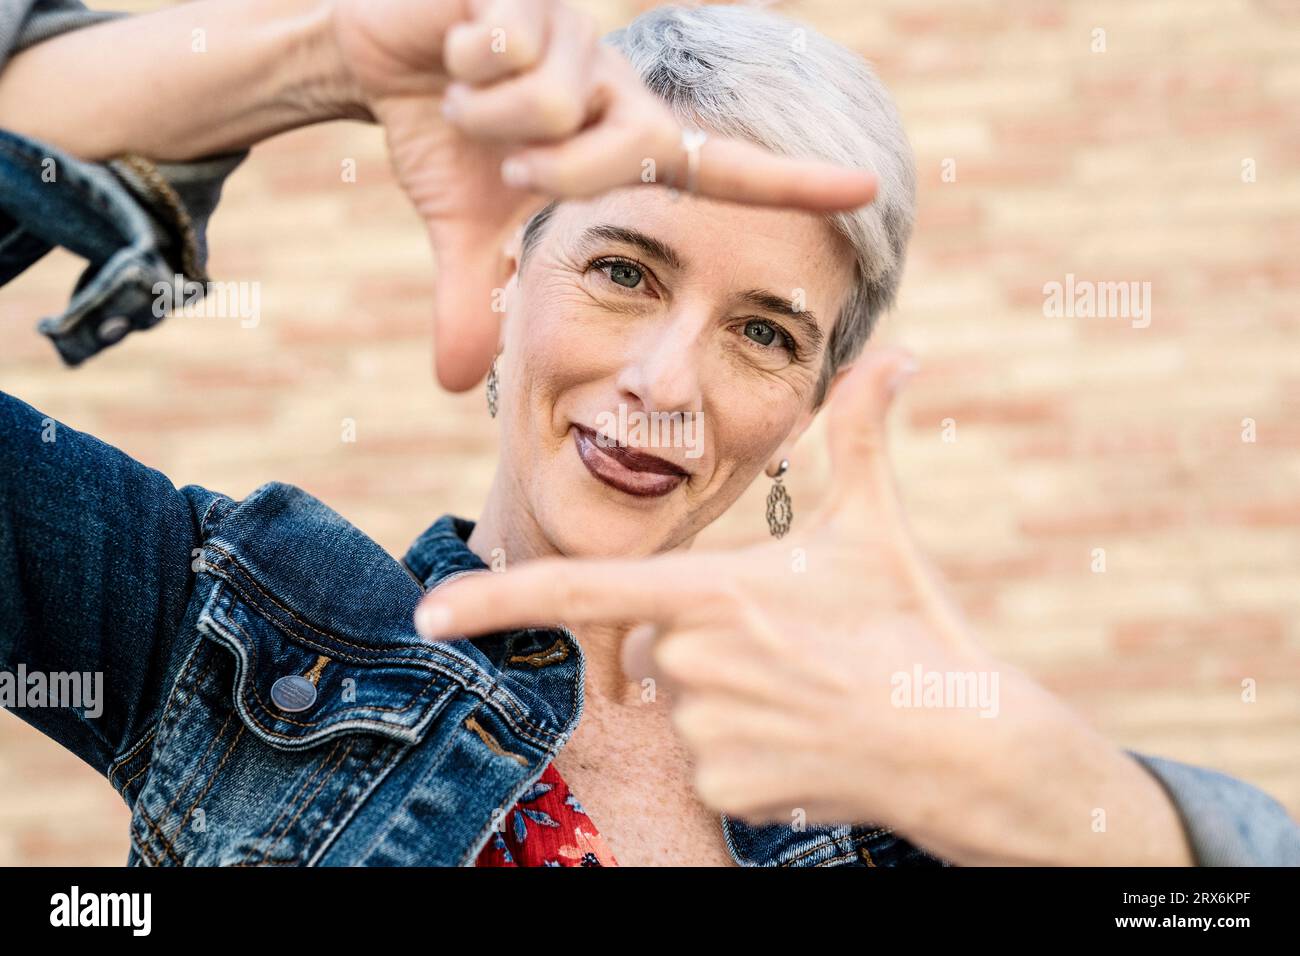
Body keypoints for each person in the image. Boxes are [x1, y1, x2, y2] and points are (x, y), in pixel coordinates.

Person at [1, 0, 1297, 867]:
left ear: (805, 406)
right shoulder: (238, 632)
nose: (667, 378)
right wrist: (318, 57)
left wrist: (1093, 811)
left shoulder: (893, 789)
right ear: (509, 285)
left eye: (766, 332)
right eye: (624, 271)